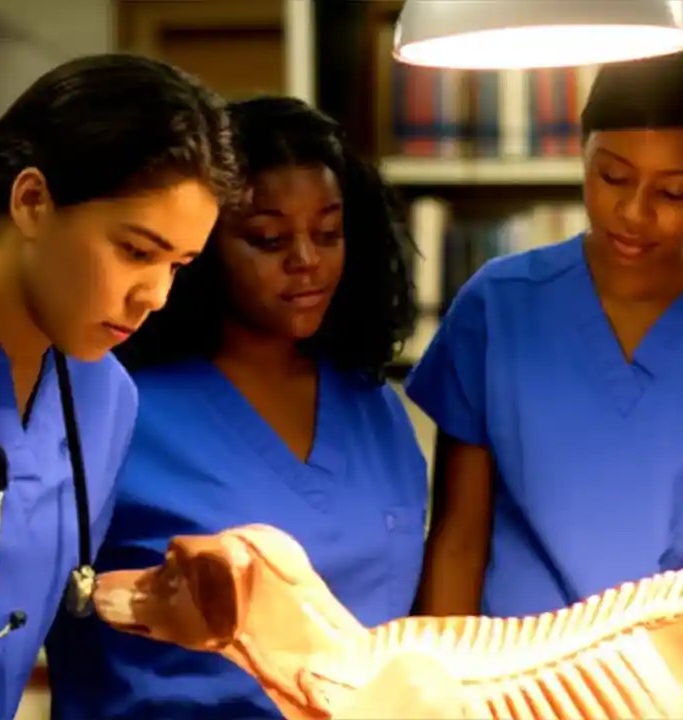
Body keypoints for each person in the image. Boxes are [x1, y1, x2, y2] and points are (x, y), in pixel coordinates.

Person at [406, 32, 683, 619]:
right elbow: (457, 544)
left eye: (675, 192)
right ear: (582, 148)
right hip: (528, 683)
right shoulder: (499, 308)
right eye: (612, 177)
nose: (635, 212)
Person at [43, 96, 427, 719]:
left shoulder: (374, 406)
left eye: (328, 233)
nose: (306, 259)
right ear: (198, 250)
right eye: (268, 238)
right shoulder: (114, 408)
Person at [0, 53, 235, 720]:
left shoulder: (103, 399)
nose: (155, 295)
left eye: (179, 264)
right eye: (135, 251)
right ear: (33, 200)